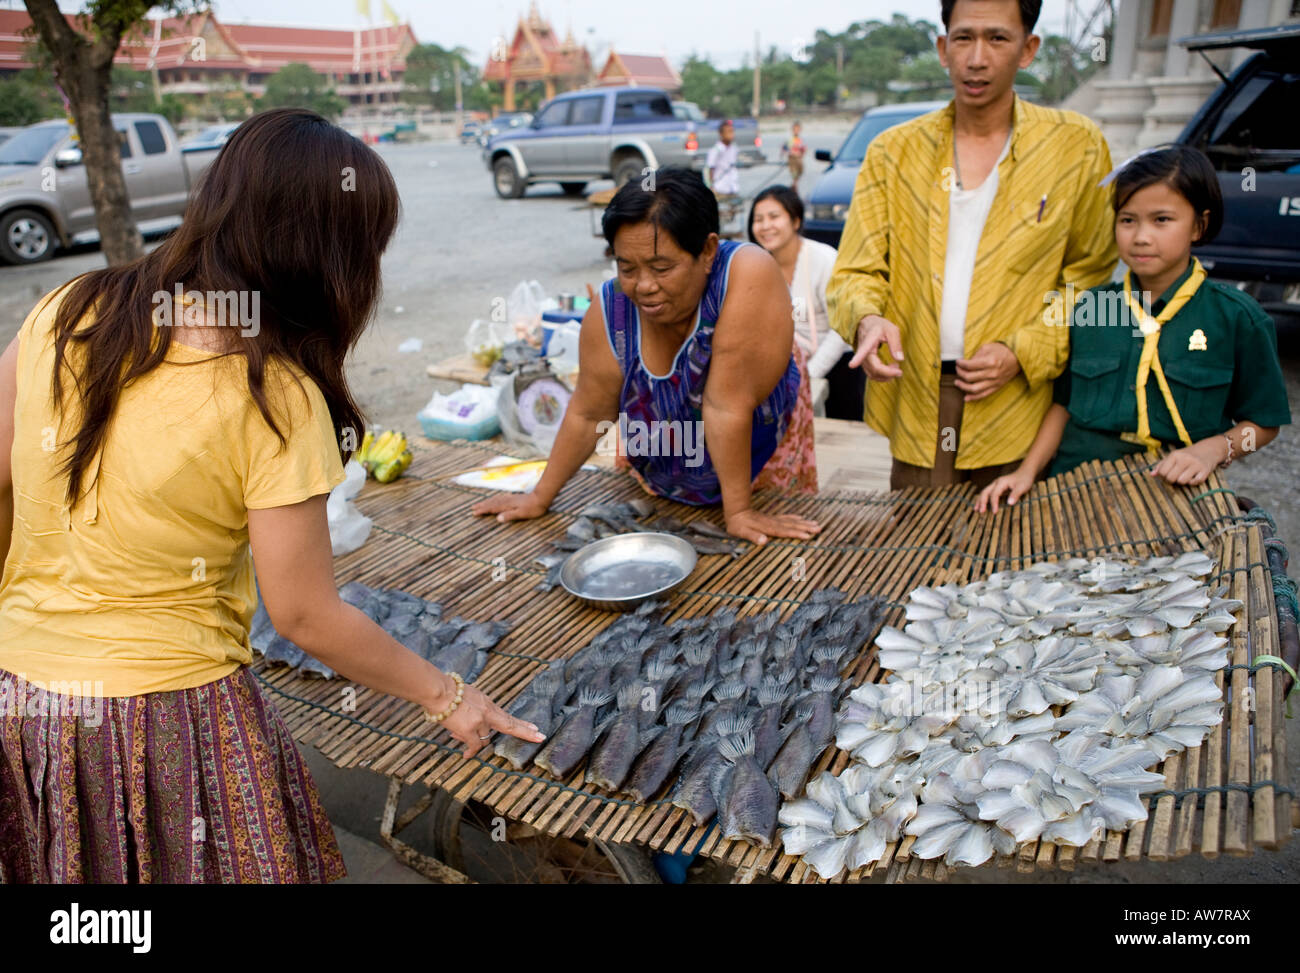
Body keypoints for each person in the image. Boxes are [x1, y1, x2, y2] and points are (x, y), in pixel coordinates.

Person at [0, 109, 542, 884]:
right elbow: (304, 615)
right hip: (169, 718)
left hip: (27, 702)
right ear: (326, 258)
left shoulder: (68, 309)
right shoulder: (274, 394)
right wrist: (446, 694)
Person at [827, 0, 1119, 491]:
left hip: (1018, 397)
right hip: (919, 391)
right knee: (922, 550)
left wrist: (1023, 349)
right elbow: (855, 271)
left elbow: (1089, 278)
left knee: (1013, 554)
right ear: (943, 49)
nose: (977, 58)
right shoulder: (893, 152)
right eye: (963, 38)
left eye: (997, 39)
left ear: (1028, 49)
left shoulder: (1077, 147)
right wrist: (866, 320)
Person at [472, 166, 821, 545]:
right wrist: (540, 496)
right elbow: (589, 412)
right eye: (627, 267)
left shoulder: (747, 273)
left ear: (706, 251)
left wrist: (738, 513)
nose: (645, 287)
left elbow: (726, 406)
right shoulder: (610, 311)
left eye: (662, 267)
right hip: (663, 458)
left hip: (755, 458)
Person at [976, 145, 1291, 512]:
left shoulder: (1238, 317)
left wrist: (1217, 449)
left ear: (1199, 225)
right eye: (1128, 220)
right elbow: (1063, 405)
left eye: (1161, 220)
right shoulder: (1091, 307)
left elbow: (1264, 428)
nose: (1141, 236)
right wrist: (1027, 472)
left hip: (1176, 500)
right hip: (1074, 495)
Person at [748, 186, 861, 419]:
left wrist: (809, 375)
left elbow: (841, 330)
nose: (765, 226)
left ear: (796, 221)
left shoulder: (823, 259)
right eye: (758, 219)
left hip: (838, 366)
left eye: (774, 217)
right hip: (792, 368)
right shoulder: (760, 265)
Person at [707, 120, 741, 198]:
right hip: (720, 188)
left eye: (732, 131)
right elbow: (709, 169)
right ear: (721, 134)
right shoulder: (716, 150)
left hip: (732, 187)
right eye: (728, 132)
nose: (731, 135)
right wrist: (711, 187)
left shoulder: (734, 148)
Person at [782, 121, 807, 188]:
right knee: (794, 172)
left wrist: (802, 153)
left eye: (798, 129)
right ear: (792, 130)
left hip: (799, 158)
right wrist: (790, 152)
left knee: (800, 171)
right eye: (795, 129)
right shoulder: (790, 139)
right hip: (792, 158)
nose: (796, 131)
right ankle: (794, 185)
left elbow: (803, 148)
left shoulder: (800, 139)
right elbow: (785, 148)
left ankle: (794, 184)